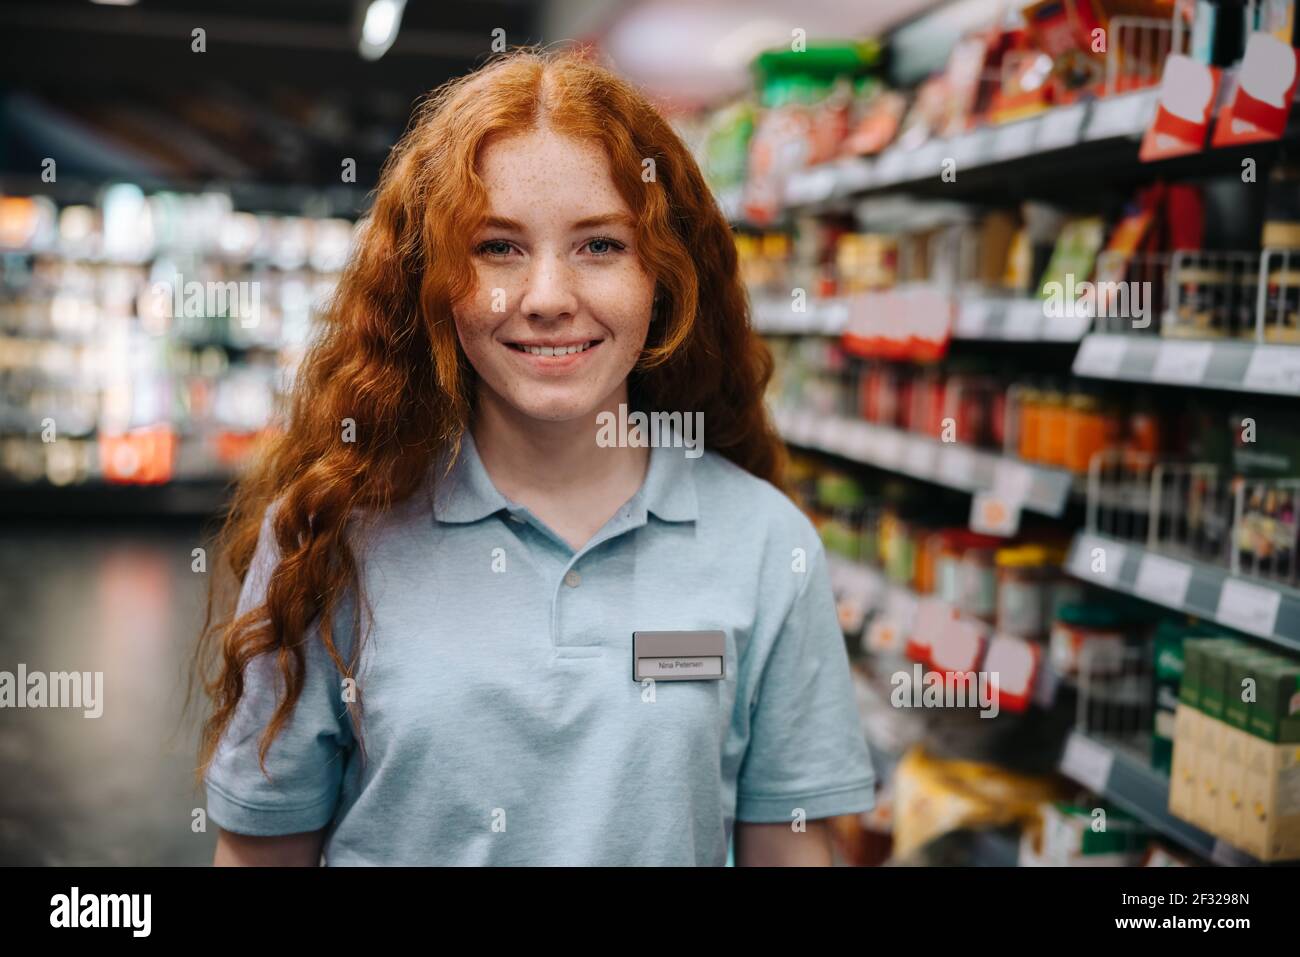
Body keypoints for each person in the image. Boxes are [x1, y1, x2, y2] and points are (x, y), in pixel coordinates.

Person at [193, 47, 874, 866]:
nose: (548, 298)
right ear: (432, 278)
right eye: (498, 247)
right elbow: (261, 853)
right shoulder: (331, 534)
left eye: (600, 246)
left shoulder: (767, 544)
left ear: (665, 273)